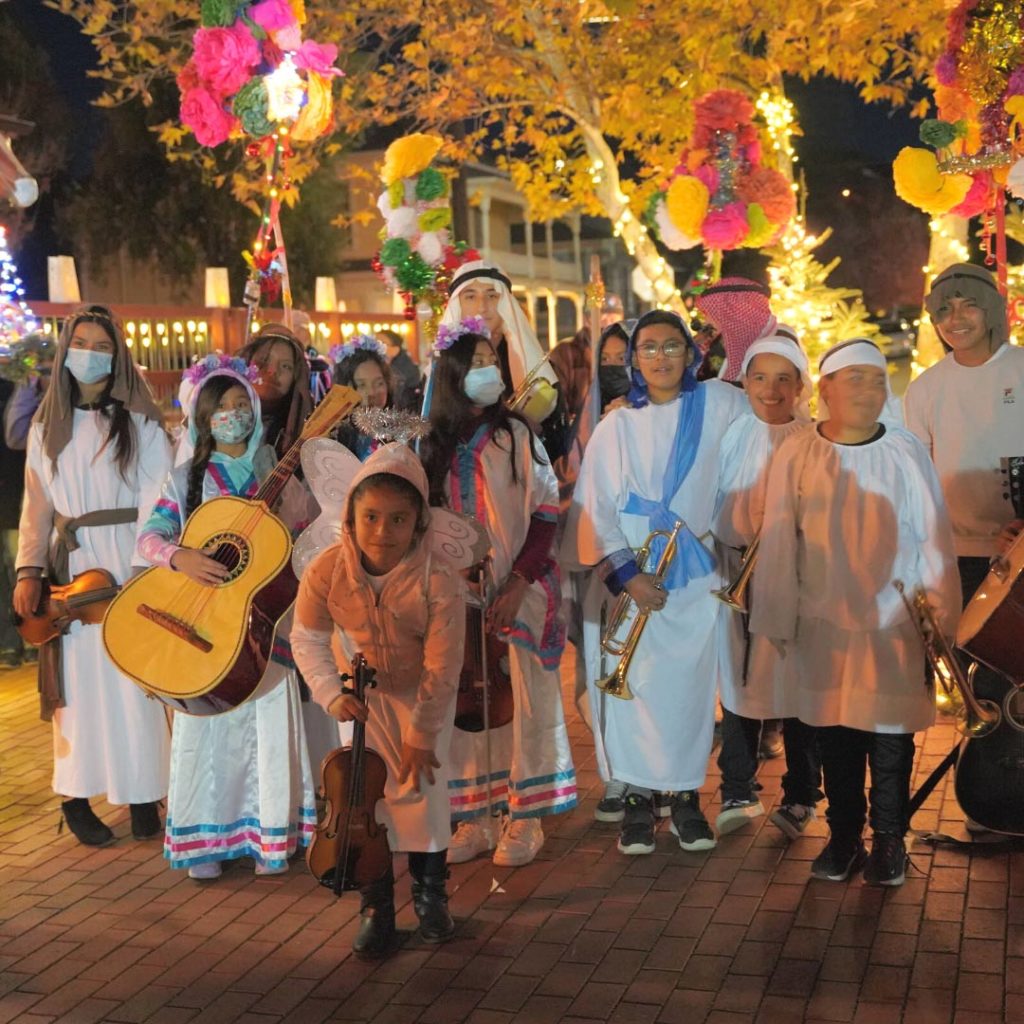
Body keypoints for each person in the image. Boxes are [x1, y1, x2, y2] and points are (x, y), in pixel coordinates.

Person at [751, 339, 960, 886]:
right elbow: (778, 539)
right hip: (821, 619)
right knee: (835, 733)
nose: (869, 389)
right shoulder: (799, 452)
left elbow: (933, 539)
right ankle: (844, 837)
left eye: (877, 378)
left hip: (894, 619)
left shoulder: (905, 450)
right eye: (855, 378)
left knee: (890, 734)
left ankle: (889, 839)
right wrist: (777, 619)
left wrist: (939, 620)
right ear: (825, 390)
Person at [571, 310, 747, 855]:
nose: (662, 357)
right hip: (637, 569)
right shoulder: (617, 425)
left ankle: (687, 798)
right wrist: (628, 575)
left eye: (673, 346)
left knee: (692, 692)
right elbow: (595, 508)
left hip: (695, 573)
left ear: (692, 354)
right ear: (634, 360)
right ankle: (637, 802)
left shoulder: (720, 405)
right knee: (633, 688)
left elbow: (768, 414)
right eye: (649, 348)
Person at [135, 358, 315, 879]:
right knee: (206, 729)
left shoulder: (275, 470)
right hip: (206, 627)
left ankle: (269, 839)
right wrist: (179, 557)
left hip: (265, 621)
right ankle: (205, 846)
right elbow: (150, 538)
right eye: (221, 410)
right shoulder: (185, 478)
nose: (233, 416)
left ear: (256, 412)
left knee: (268, 724)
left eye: (242, 406)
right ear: (201, 420)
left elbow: (305, 535)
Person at [290, 443, 465, 959]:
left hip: (422, 700)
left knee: (426, 799)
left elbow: (443, 665)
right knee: (364, 805)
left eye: (397, 519)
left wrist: (422, 734)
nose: (382, 532)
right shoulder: (327, 571)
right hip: (360, 701)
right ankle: (376, 906)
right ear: (350, 515)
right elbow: (308, 639)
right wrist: (330, 694)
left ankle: (432, 898)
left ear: (419, 523)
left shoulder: (438, 579)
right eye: (370, 517)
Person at [12, 304, 173, 846]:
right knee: (78, 687)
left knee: (137, 683)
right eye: (81, 342)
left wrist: (144, 564)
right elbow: (35, 507)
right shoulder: (46, 426)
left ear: (118, 354)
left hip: (131, 561)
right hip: (74, 569)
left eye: (102, 345)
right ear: (65, 351)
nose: (91, 353)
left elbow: (160, 493)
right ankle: (76, 796)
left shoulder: (143, 423)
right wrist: (29, 570)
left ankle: (146, 792)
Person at [420, 317, 577, 867]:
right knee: (465, 708)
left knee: (523, 702)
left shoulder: (517, 436)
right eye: (477, 363)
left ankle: (524, 816)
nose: (488, 371)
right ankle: (476, 816)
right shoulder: (430, 446)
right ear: (452, 373)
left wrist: (516, 582)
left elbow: (546, 511)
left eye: (493, 361)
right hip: (455, 599)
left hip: (521, 589)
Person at [904, 264, 1024, 815]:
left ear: (992, 310)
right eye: (944, 309)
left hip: (1017, 557)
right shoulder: (927, 387)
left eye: (968, 305)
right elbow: (917, 475)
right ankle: (988, 797)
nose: (956, 319)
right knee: (979, 683)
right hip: (956, 557)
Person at [713, 329, 822, 839]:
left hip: (796, 576)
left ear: (801, 386)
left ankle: (803, 795)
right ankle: (737, 786)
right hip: (732, 569)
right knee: (738, 679)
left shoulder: (814, 441)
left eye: (784, 379)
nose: (770, 390)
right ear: (745, 381)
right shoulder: (731, 431)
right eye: (759, 377)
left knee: (796, 685)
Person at [435, 260, 567, 460]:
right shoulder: (441, 365)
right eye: (470, 297)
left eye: (492, 296)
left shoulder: (535, 364)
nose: (482, 306)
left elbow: (557, 437)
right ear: (457, 304)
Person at [236, 323, 314, 458]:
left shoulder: (305, 437)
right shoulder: (217, 422)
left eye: (285, 366)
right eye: (264, 360)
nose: (272, 371)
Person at [694, 277, 775, 384]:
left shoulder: (759, 352)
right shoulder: (714, 338)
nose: (706, 319)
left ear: (729, 315)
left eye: (710, 313)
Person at [331, 334, 395, 460]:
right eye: (362, 385)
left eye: (379, 383)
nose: (372, 393)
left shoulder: (400, 432)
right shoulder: (334, 435)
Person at [378, 327, 422, 411]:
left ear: (395, 349)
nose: (376, 348)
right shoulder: (382, 367)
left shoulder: (404, 371)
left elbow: (396, 402)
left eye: (382, 344)